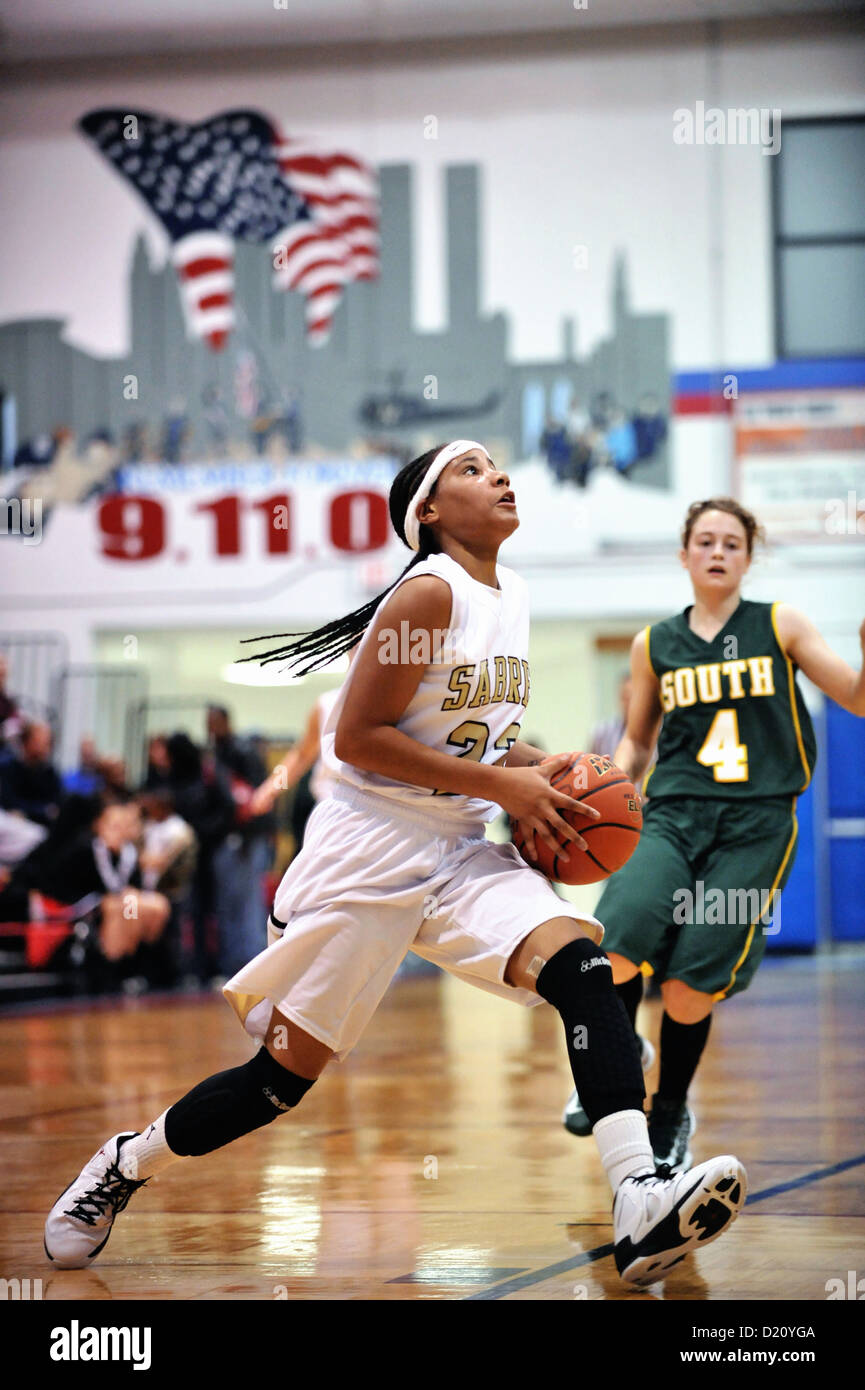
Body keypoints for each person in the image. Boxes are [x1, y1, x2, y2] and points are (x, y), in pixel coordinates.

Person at [45, 443, 746, 1289]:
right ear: (429, 512)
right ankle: (124, 1165)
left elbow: (474, 732)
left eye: (497, 464)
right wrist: (505, 788)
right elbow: (359, 740)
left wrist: (543, 764)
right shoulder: (425, 591)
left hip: (453, 845)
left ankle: (637, 1199)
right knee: (276, 1084)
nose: (497, 475)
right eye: (471, 469)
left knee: (586, 970)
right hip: (364, 858)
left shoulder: (510, 593)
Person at [562, 497, 865, 1168]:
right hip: (670, 814)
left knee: (685, 987)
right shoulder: (654, 644)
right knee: (608, 947)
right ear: (684, 555)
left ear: (748, 559)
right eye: (705, 540)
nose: (718, 551)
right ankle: (616, 1071)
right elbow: (638, 743)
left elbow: (856, 696)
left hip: (756, 822)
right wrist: (603, 789)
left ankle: (668, 1109)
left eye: (731, 542)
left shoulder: (779, 623)